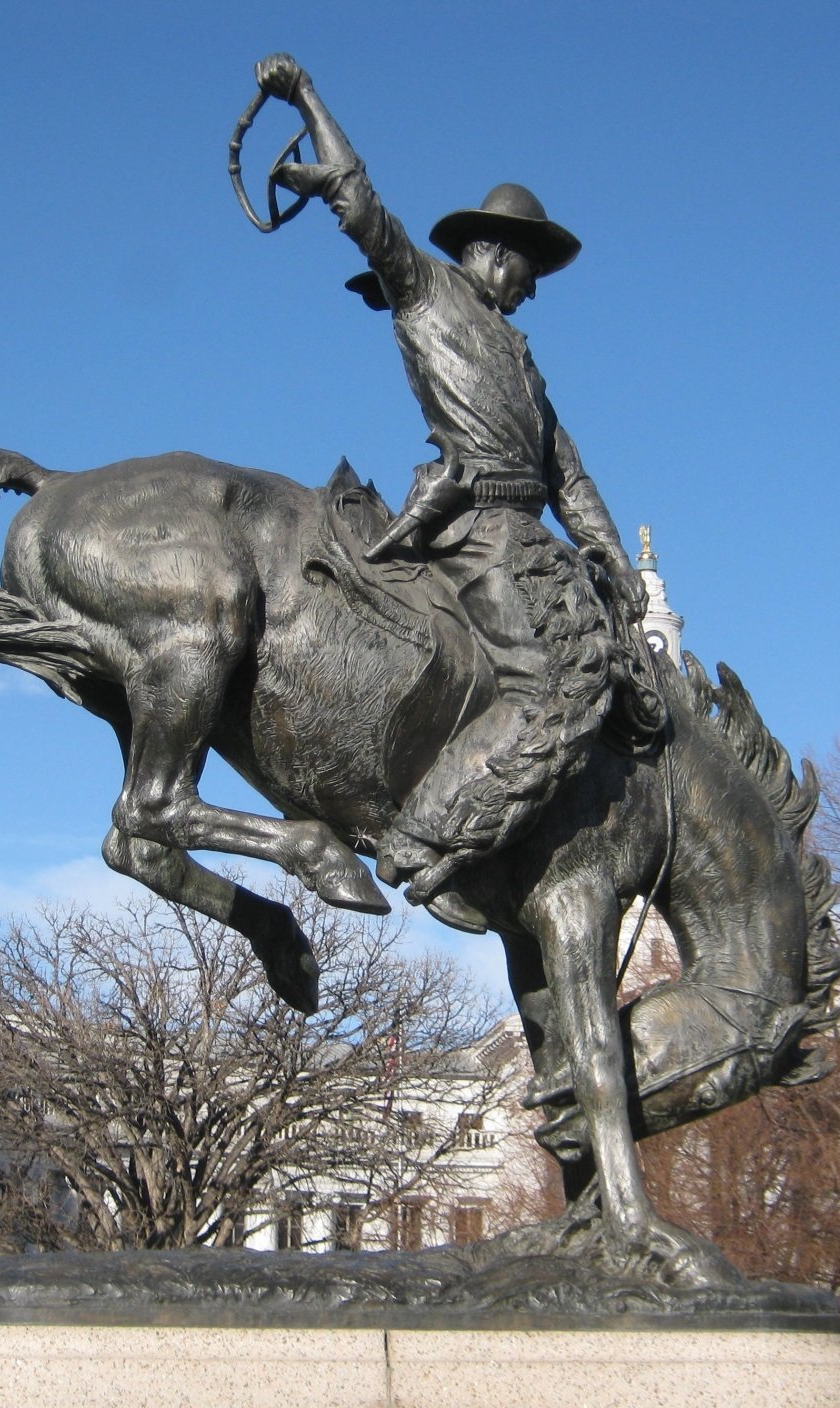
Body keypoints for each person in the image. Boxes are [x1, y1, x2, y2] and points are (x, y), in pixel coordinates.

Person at [256, 54, 654, 931]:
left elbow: (568, 475)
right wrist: (310, 96)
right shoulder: (428, 290)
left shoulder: (522, 358)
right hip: (475, 528)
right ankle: (427, 835)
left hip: (528, 537)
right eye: (527, 266)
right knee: (548, 684)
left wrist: (617, 564)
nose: (533, 286)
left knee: (599, 674)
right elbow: (359, 203)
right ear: (489, 251)